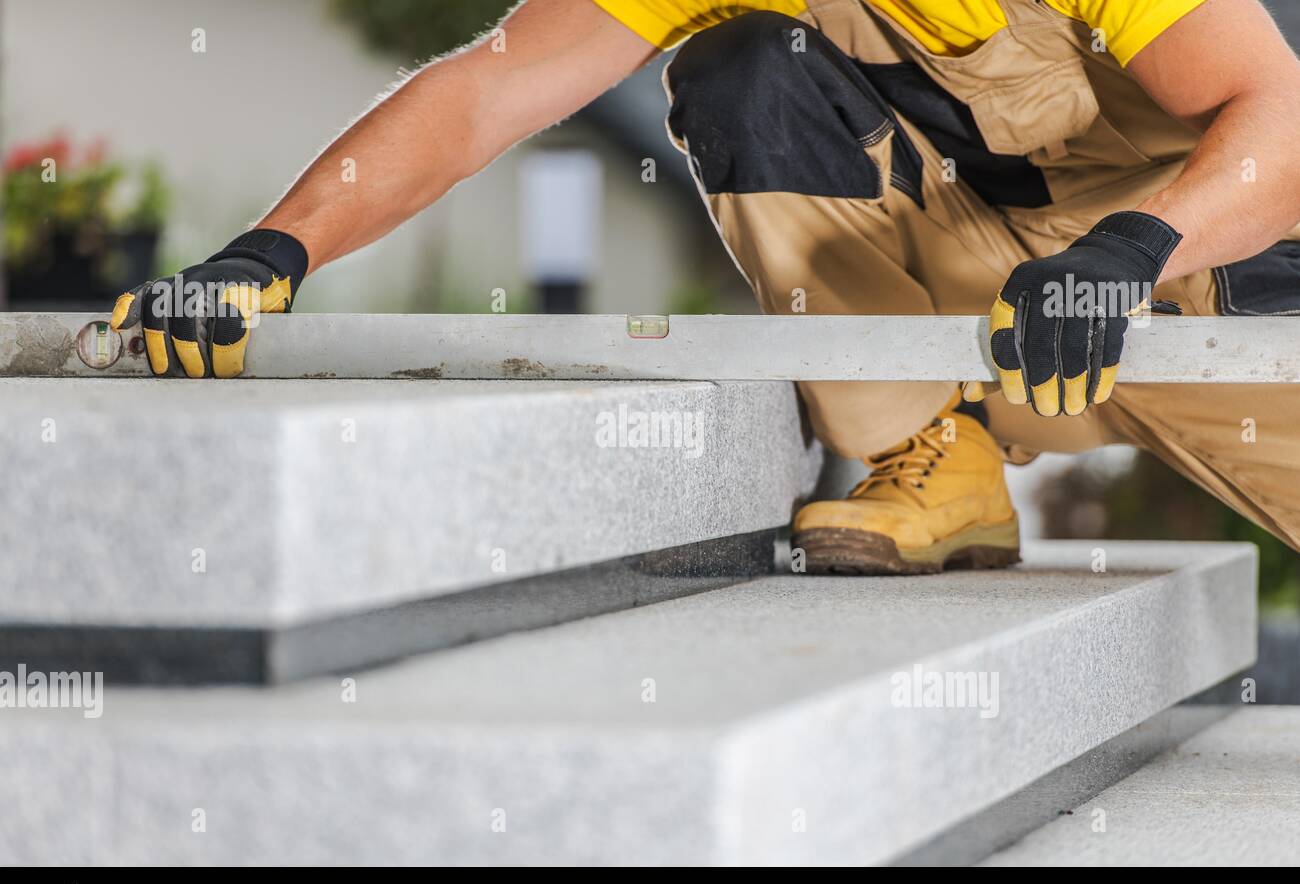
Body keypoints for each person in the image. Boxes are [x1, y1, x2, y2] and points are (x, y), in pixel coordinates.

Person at [111, 0, 1300, 573]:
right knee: (744, 69)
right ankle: (930, 452)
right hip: (1003, 311)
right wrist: (271, 250)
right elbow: (482, 93)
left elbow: (1280, 119)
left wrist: (1131, 251)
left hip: (1212, 292)